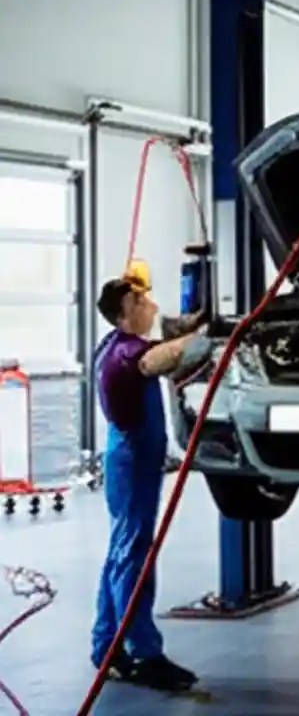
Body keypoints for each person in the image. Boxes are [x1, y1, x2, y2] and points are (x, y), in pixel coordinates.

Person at [90, 273, 208, 691]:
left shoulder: (112, 344)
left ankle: (107, 646)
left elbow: (163, 342)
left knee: (121, 551)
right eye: (139, 300)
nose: (148, 302)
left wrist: (193, 325)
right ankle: (144, 654)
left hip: (126, 458)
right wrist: (207, 339)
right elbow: (159, 358)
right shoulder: (128, 354)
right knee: (135, 555)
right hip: (133, 463)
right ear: (124, 316)